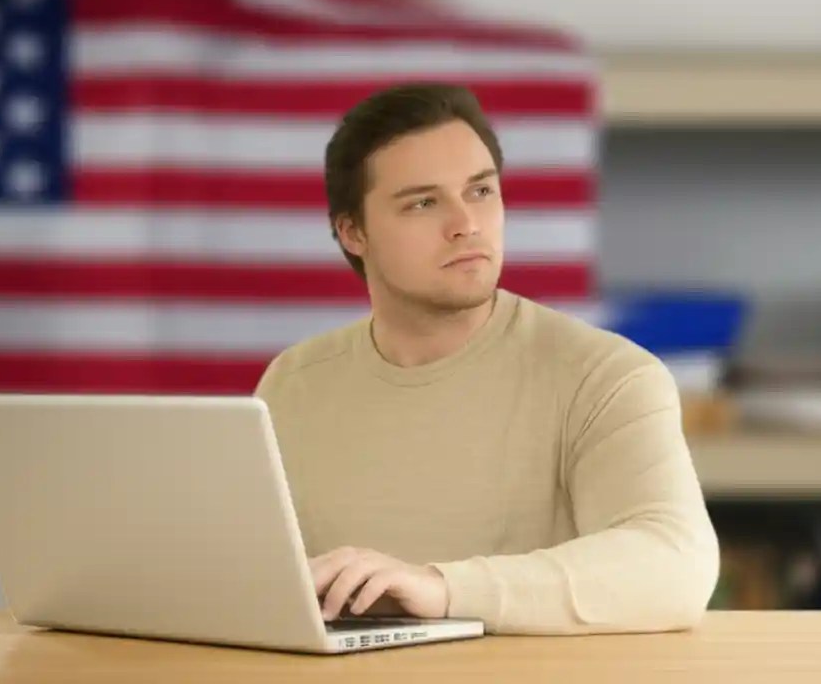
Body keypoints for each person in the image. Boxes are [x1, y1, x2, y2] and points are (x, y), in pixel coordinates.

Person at [253, 82, 720, 635]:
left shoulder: (610, 377)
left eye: (480, 192)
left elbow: (674, 567)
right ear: (353, 232)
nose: (466, 224)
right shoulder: (292, 385)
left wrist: (442, 588)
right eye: (423, 202)